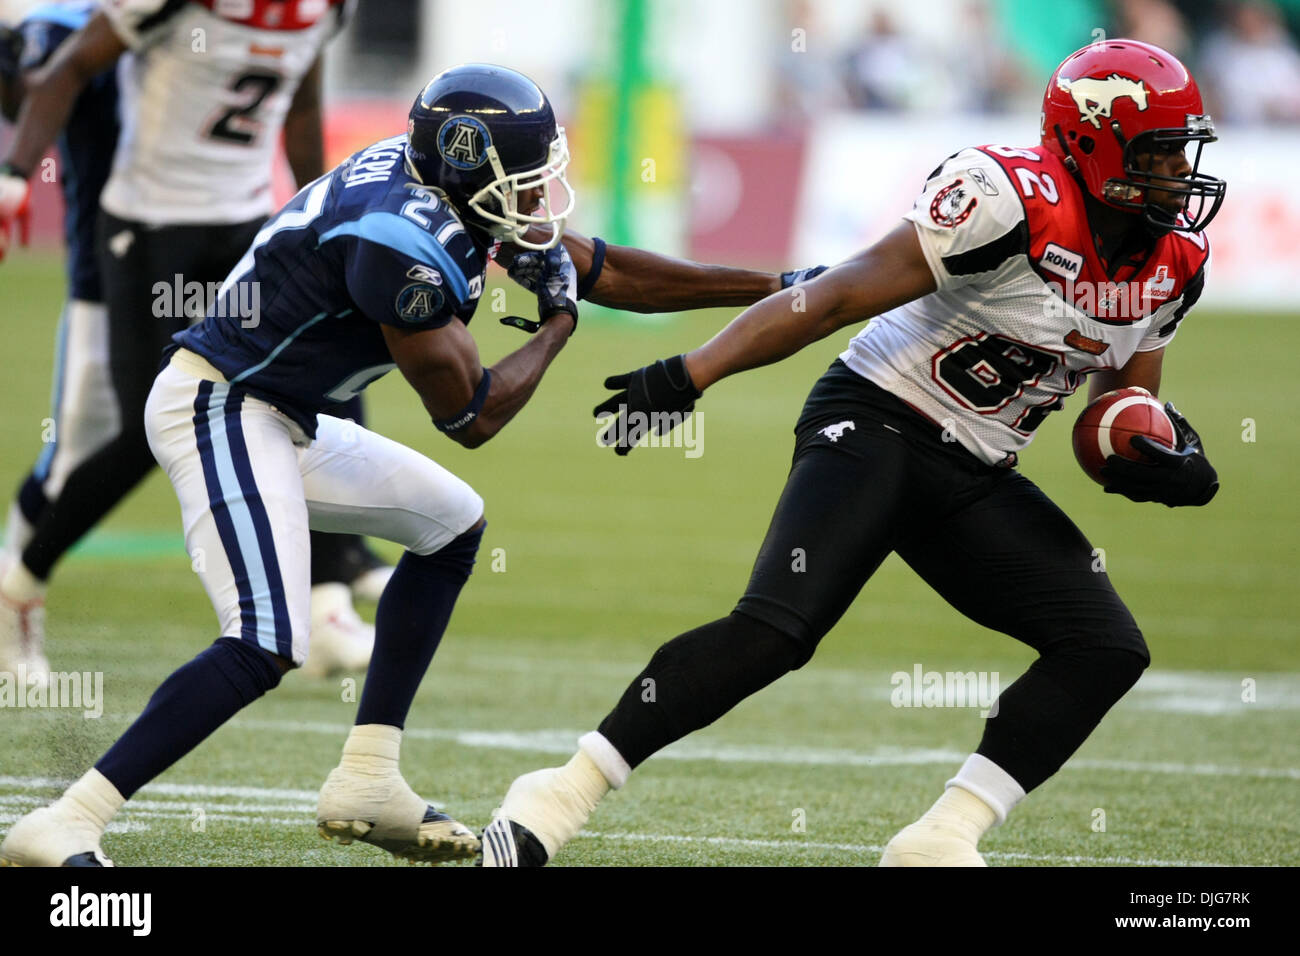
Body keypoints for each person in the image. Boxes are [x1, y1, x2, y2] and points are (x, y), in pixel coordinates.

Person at [0, 63, 824, 867]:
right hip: (218, 407)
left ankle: (367, 777)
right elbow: (473, 413)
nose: (538, 197)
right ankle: (68, 819)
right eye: (525, 179)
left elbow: (607, 268)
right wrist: (556, 326)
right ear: (472, 164)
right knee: (264, 639)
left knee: (453, 524)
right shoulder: (398, 242)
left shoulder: (440, 190)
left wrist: (781, 285)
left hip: (278, 411)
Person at [479, 39, 1225, 867]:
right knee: (775, 631)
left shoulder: (1174, 263)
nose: (1175, 172)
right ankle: (557, 795)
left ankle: (941, 837)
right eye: (1158, 151)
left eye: (1179, 151)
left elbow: (1117, 410)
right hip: (876, 417)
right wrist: (690, 375)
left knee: (1106, 647)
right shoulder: (1007, 197)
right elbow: (832, 295)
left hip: (974, 470)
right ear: (1093, 142)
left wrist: (1164, 458)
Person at [0, 0, 382, 686]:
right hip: (151, 226)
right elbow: (67, 70)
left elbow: (299, 104)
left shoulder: (325, 8)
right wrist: (14, 176)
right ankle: (19, 583)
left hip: (242, 225)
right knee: (152, 426)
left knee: (316, 374)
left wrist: (322, 211)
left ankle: (328, 598)